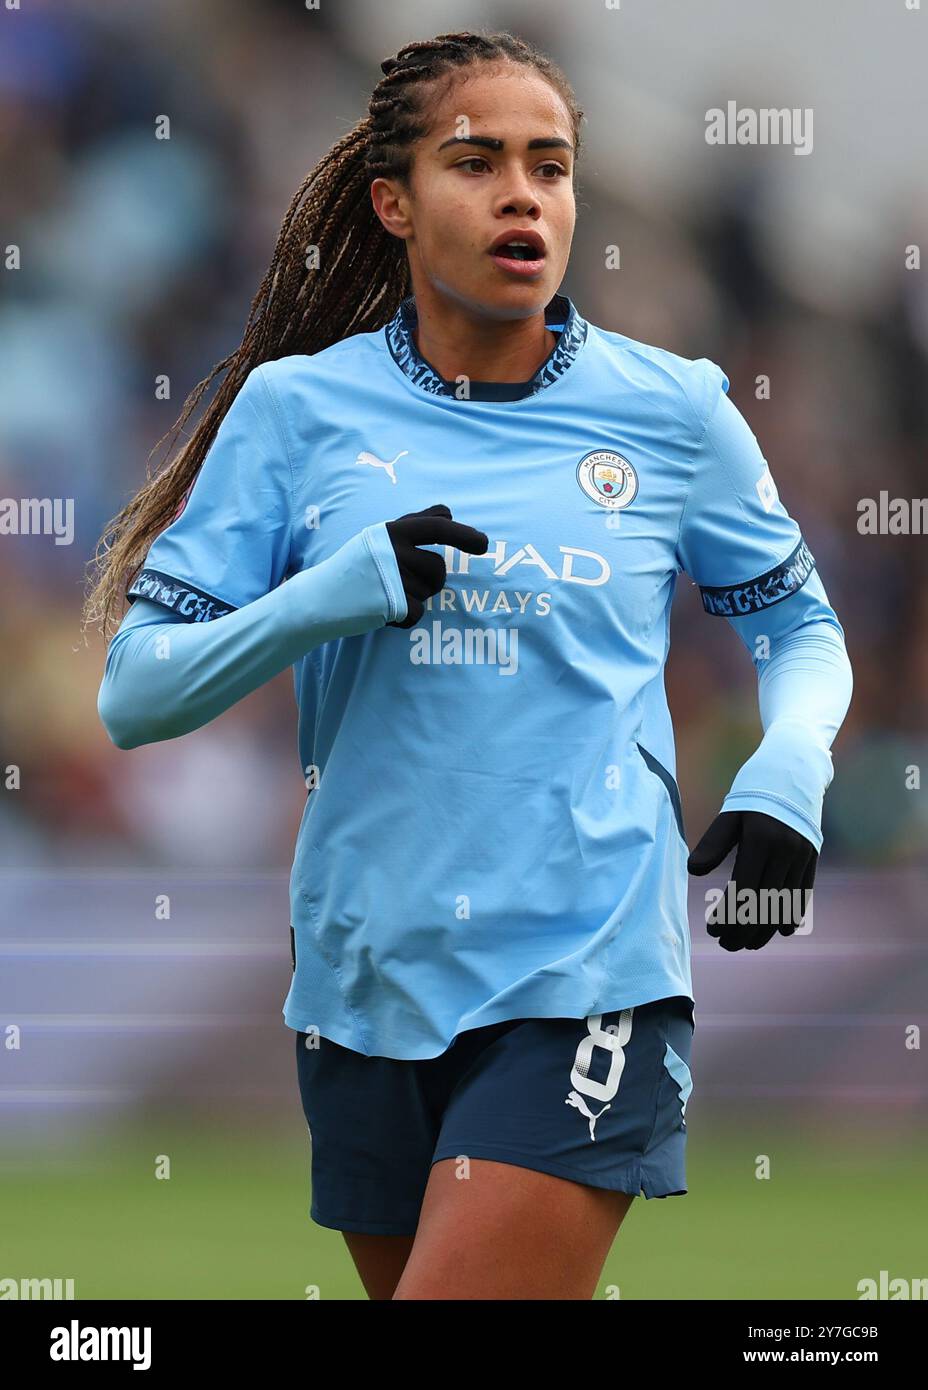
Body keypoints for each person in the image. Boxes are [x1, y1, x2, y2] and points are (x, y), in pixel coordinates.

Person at [87, 30, 853, 1300]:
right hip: (362, 979)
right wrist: (332, 596)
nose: (521, 194)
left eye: (549, 167)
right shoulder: (295, 412)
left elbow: (799, 628)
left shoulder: (671, 410)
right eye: (476, 161)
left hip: (587, 966)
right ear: (393, 202)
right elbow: (137, 690)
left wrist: (786, 769)